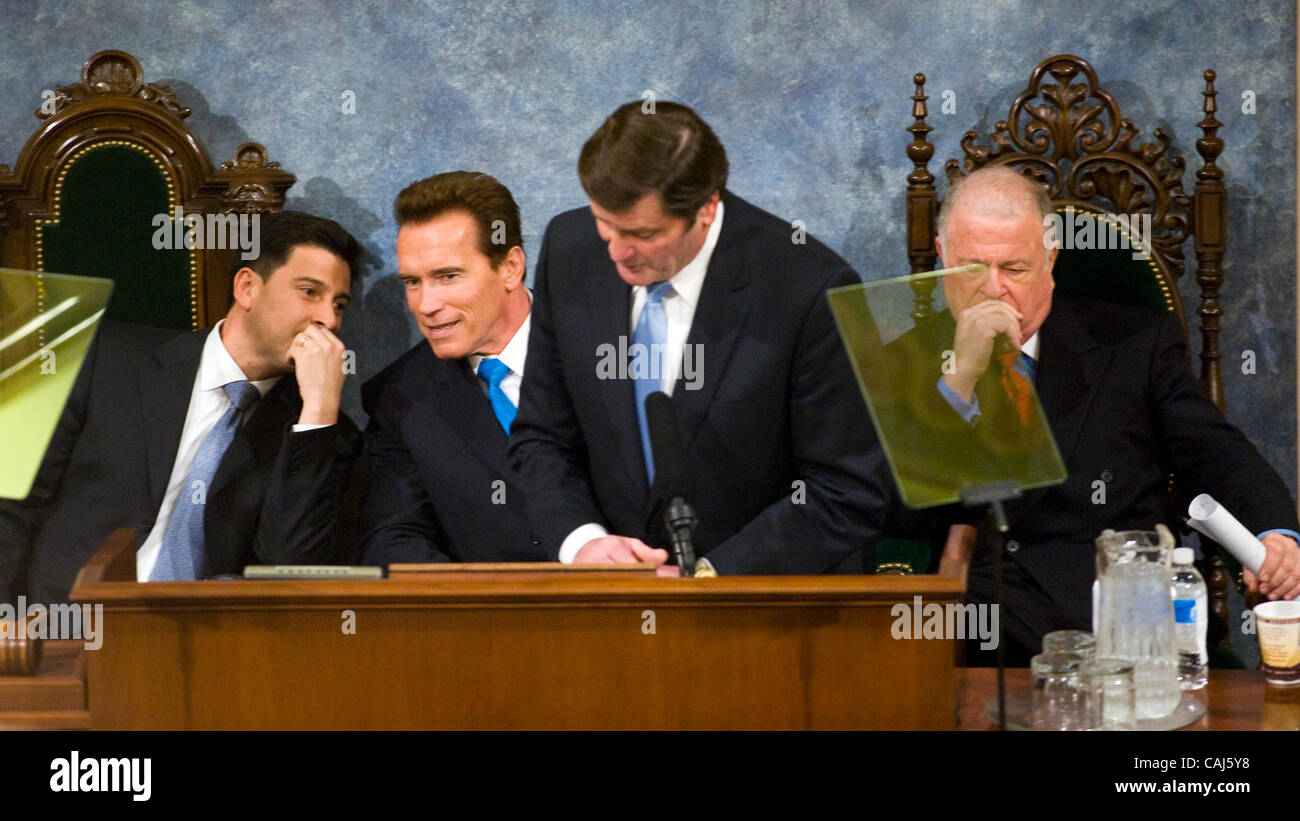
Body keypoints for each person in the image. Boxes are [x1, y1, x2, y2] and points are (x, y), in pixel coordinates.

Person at [922, 166, 1300, 662]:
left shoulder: (1134, 343)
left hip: (1118, 609)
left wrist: (1276, 535)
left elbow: (1214, 453)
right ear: (942, 255)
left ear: (1050, 259)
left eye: (1013, 269)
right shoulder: (900, 352)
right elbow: (886, 503)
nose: (993, 290)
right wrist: (961, 380)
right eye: (972, 268)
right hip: (986, 621)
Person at [508, 100, 889, 575]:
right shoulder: (571, 248)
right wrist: (583, 543)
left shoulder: (809, 289)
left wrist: (709, 578)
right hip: (609, 606)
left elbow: (846, 490)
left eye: (643, 233)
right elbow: (542, 436)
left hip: (760, 615)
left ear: (707, 207)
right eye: (605, 224)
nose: (618, 252)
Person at [0, 211, 363, 603]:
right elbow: (9, 496)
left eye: (339, 304)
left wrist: (317, 415)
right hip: (55, 629)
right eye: (310, 292)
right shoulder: (97, 354)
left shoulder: (327, 435)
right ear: (247, 288)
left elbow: (292, 581)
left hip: (198, 649)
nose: (328, 319)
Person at [358, 171, 550, 564]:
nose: (425, 305)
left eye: (447, 276)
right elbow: (391, 537)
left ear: (511, 267)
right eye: (412, 282)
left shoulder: (603, 350)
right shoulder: (401, 396)